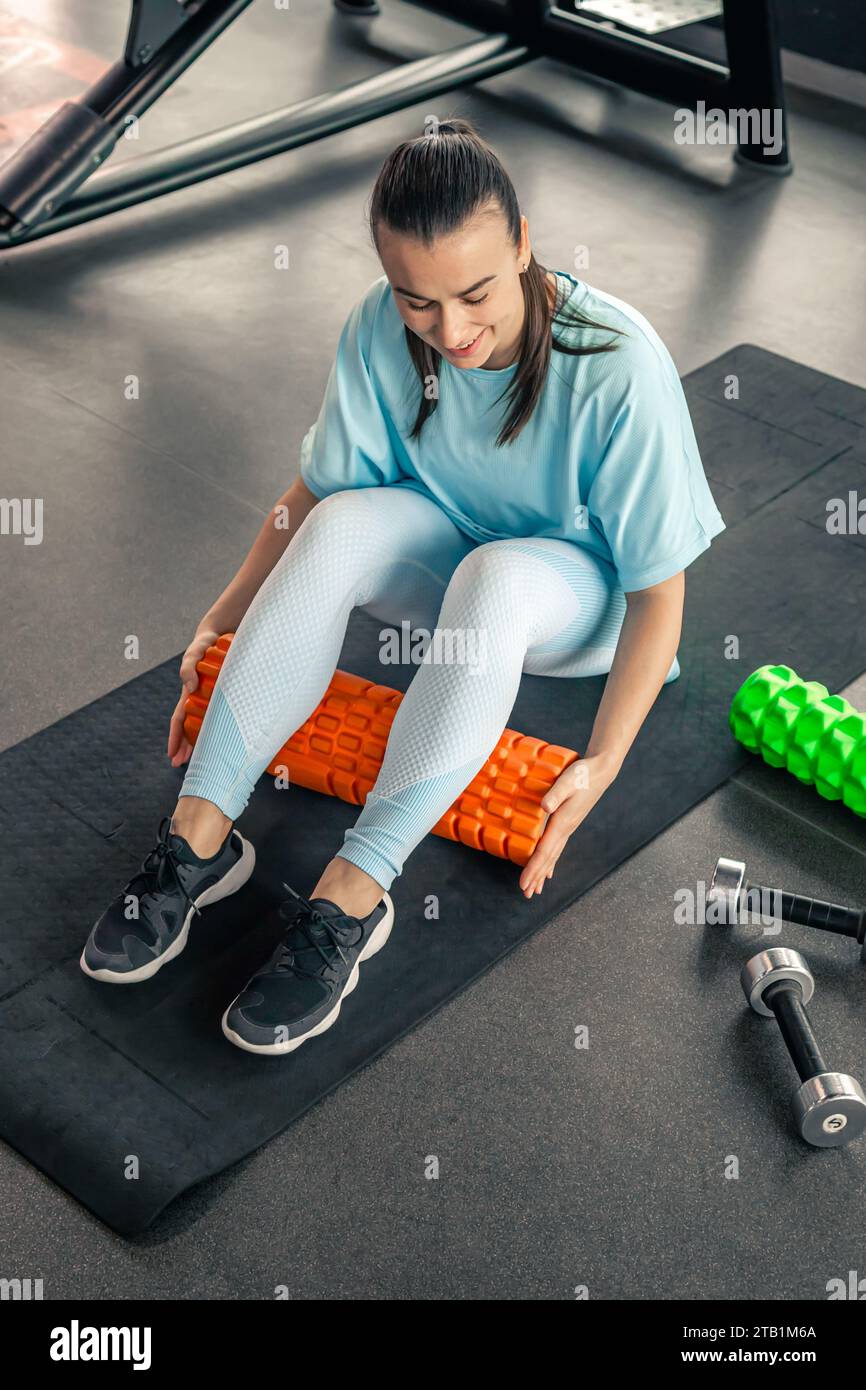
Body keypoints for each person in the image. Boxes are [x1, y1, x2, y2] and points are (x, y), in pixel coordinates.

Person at [81, 117, 726, 1056]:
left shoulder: (618, 364)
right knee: (345, 521)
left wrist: (605, 760)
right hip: (445, 560)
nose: (451, 331)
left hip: (571, 599)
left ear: (522, 245)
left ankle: (352, 899)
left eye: (475, 294)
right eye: (417, 301)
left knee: (497, 575)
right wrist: (222, 621)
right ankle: (199, 840)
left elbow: (660, 596)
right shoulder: (381, 329)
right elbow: (311, 494)